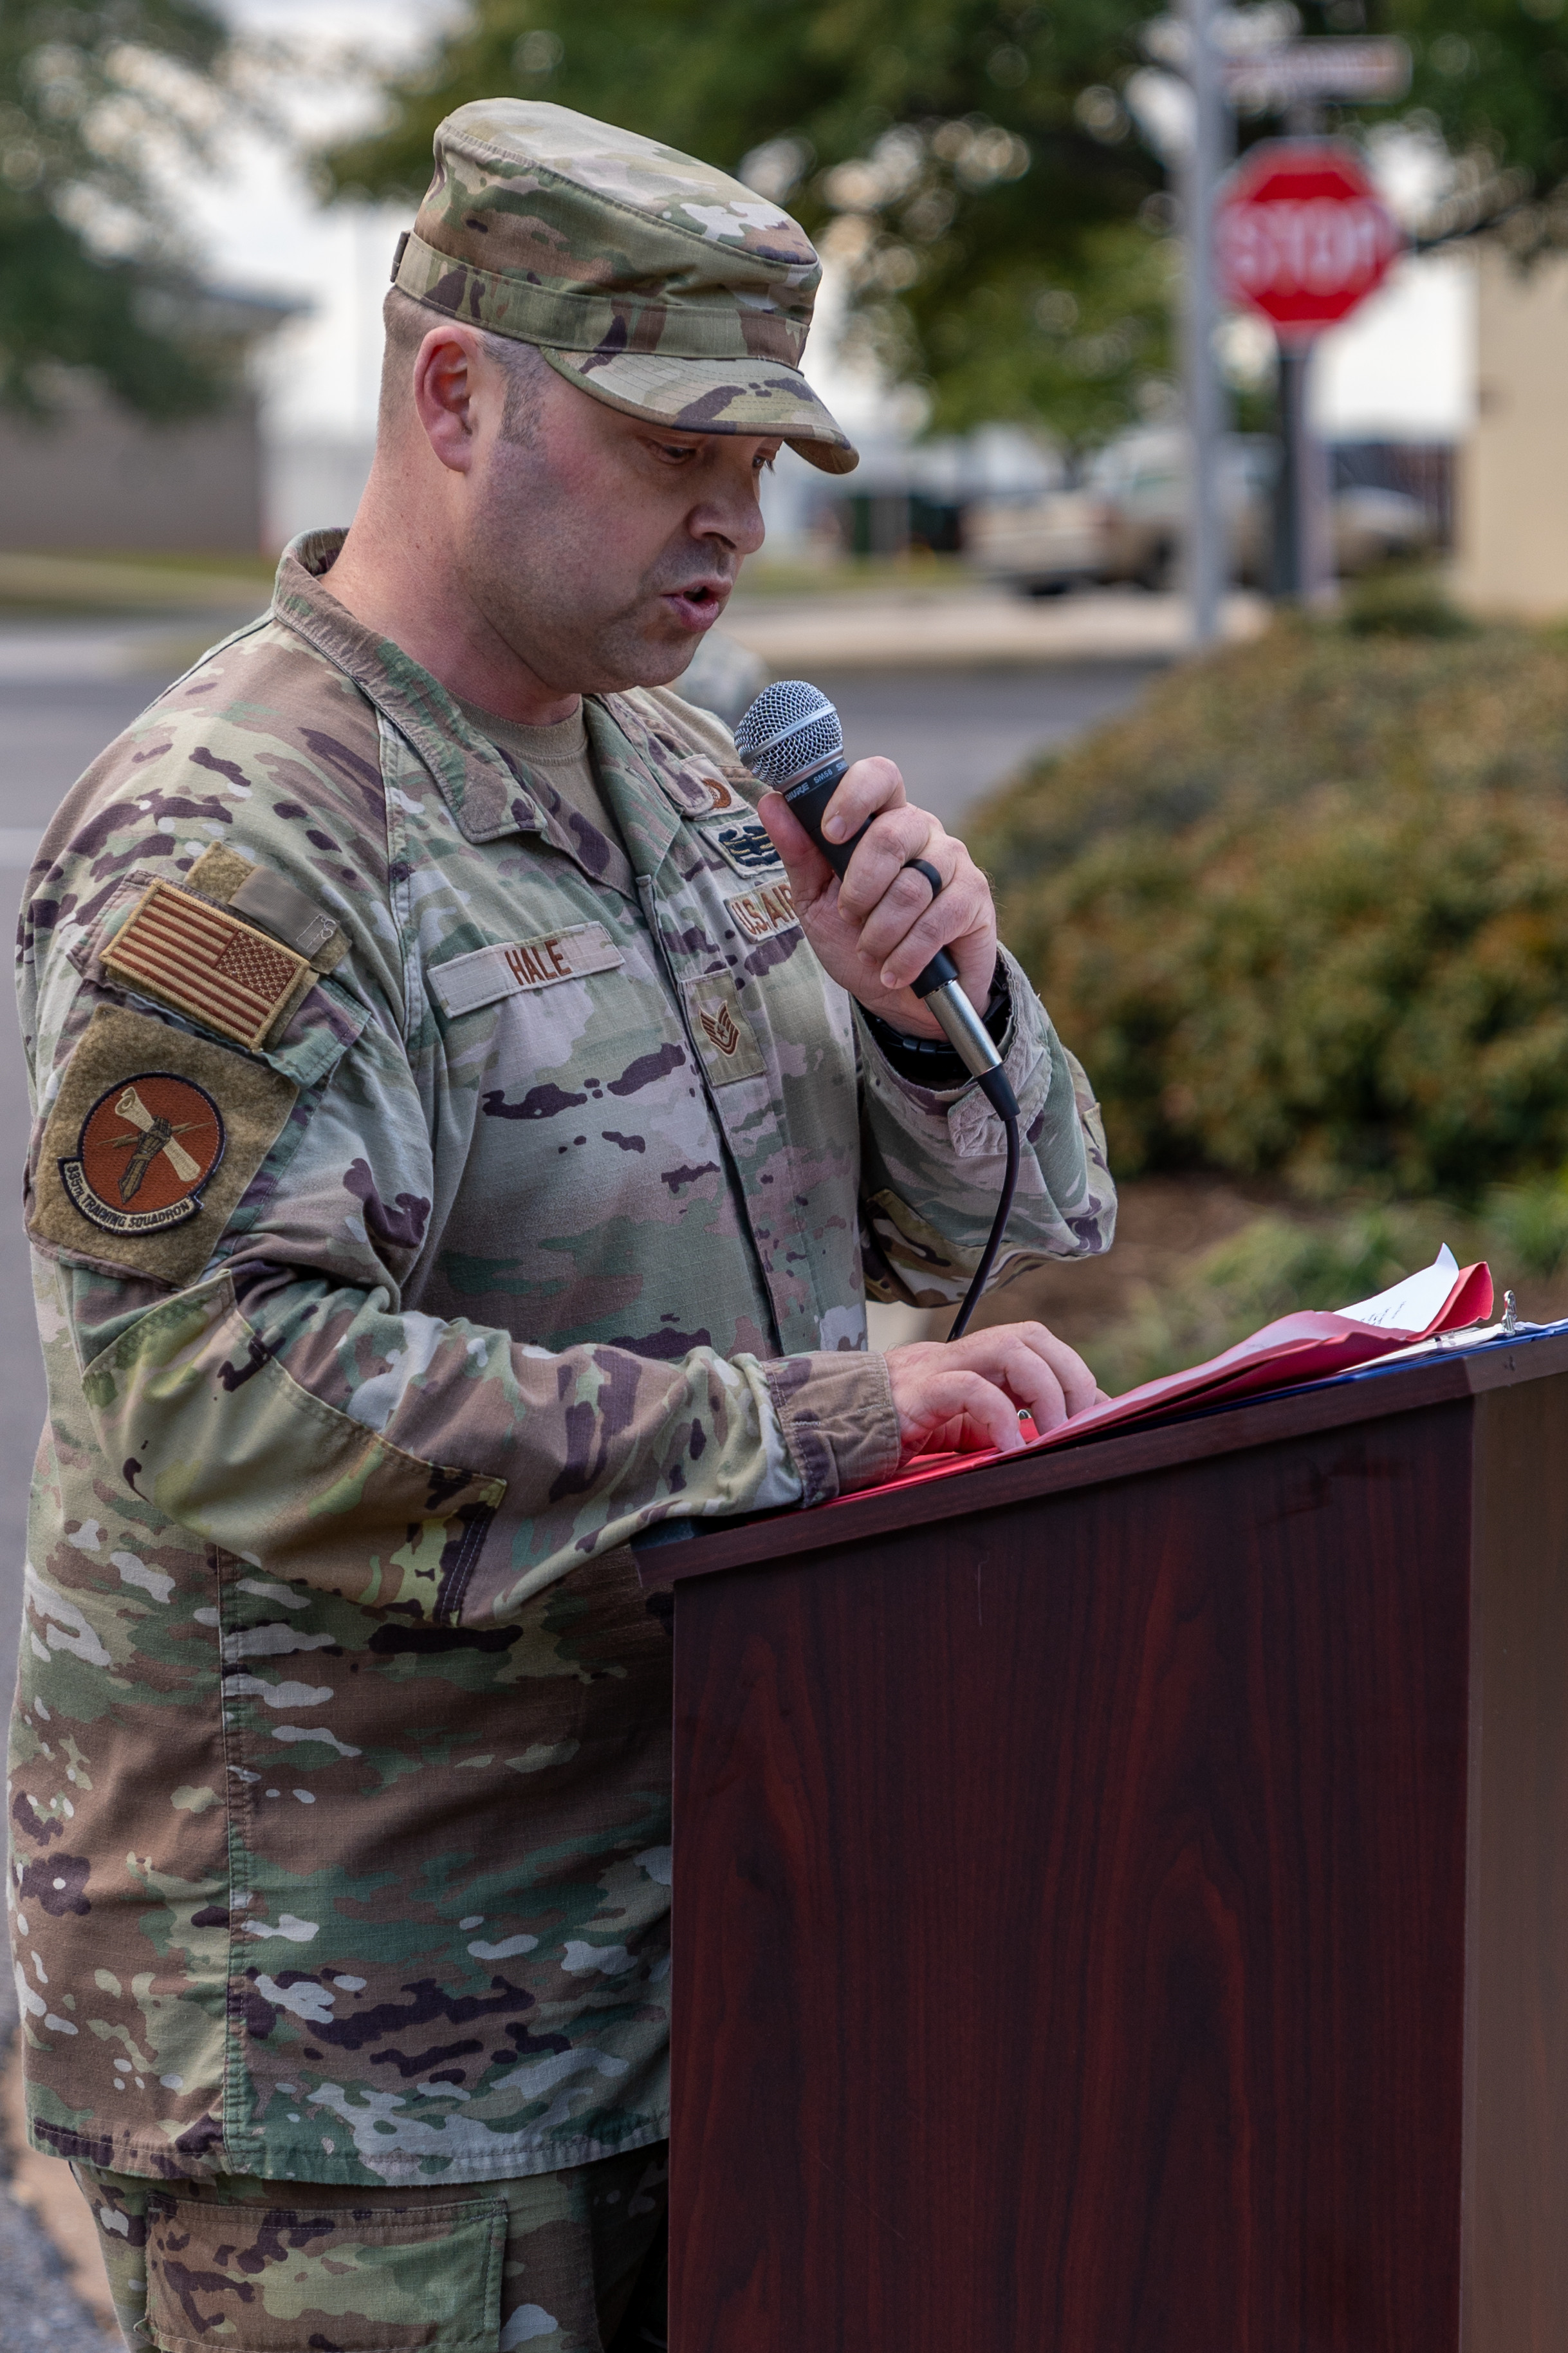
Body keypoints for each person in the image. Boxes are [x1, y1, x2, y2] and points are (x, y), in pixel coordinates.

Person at [7, 99, 1116, 2353]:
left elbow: (1017, 1221)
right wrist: (814, 1424)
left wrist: (936, 1017)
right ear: (452, 394)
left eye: (764, 469)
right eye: (669, 446)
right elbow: (207, 1395)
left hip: (717, 1954)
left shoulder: (699, 779)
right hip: (356, 2064)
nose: (730, 523)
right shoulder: (244, 840)